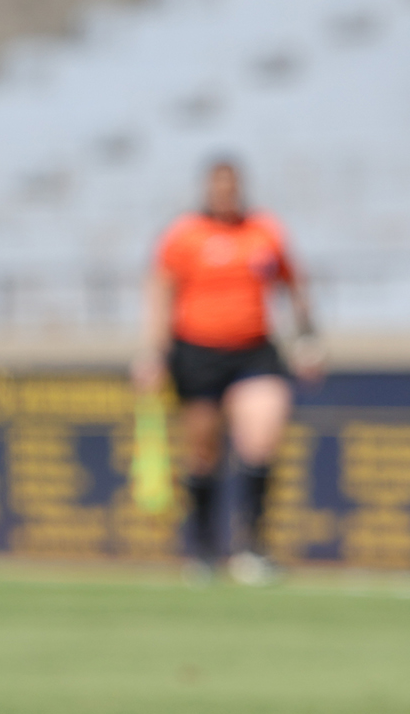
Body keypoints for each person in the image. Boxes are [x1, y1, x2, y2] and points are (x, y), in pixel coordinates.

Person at [131, 159, 322, 584]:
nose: (225, 194)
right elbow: (160, 289)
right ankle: (202, 549)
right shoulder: (184, 235)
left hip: (254, 350)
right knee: (203, 452)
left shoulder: (264, 231)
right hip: (196, 352)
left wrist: (308, 339)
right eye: (218, 187)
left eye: (231, 187)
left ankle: (252, 548)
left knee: (261, 439)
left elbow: (295, 286)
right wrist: (152, 353)